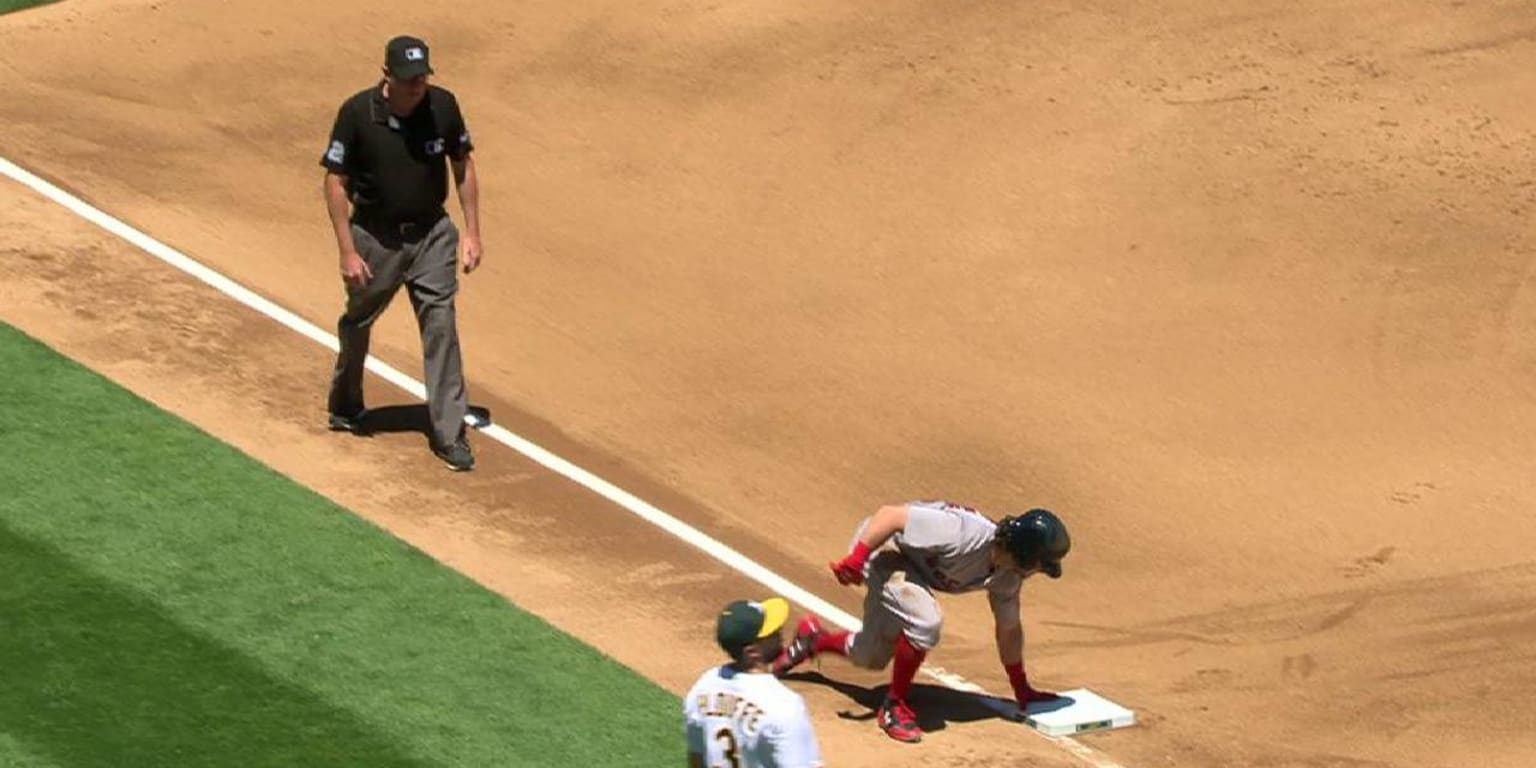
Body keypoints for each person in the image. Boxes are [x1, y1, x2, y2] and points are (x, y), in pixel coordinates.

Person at [772, 500, 1071, 744]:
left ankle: (814, 640)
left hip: (911, 569)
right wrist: (857, 558)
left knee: (870, 656)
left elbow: (1009, 630)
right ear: (1025, 555)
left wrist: (1021, 687)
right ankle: (894, 706)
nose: (1039, 572)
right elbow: (890, 516)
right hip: (882, 547)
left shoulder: (1007, 577)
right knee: (926, 621)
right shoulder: (962, 533)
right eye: (1040, 565)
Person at [319, 34, 483, 471]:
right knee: (358, 321)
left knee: (441, 325)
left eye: (422, 77)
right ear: (387, 76)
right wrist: (347, 251)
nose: (417, 86)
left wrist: (472, 232)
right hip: (376, 240)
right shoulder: (357, 114)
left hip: (432, 235)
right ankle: (346, 403)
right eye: (409, 79)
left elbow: (463, 165)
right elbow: (335, 182)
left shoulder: (442, 106)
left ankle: (449, 433)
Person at [685, 597, 824, 768]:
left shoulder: (702, 688)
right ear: (752, 652)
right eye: (771, 633)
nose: (779, 631)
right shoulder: (785, 705)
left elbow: (697, 759)